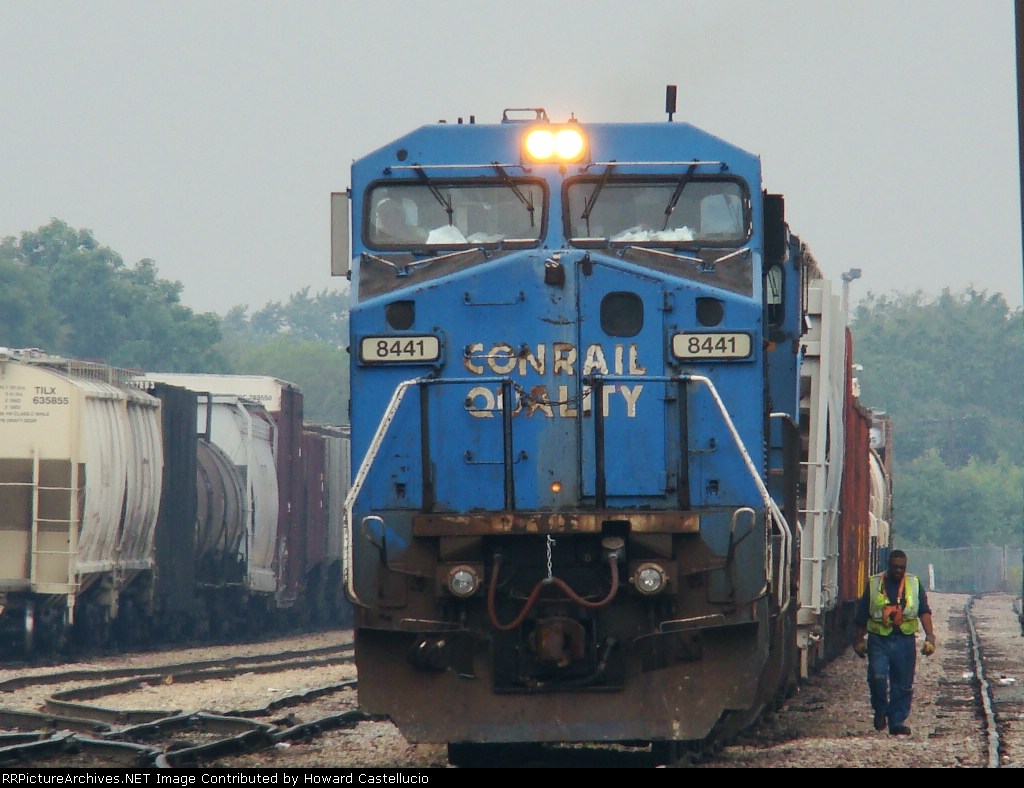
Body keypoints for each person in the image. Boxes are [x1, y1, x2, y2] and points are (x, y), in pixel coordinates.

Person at [852, 549, 937, 736]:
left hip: (904, 640)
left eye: (902, 567)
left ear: (905, 567)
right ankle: (881, 710)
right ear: (889, 566)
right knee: (877, 676)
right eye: (895, 567)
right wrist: (858, 640)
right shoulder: (875, 583)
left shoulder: (913, 583)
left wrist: (930, 637)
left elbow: (923, 610)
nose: (898, 571)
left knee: (903, 682)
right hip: (879, 639)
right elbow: (862, 613)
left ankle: (897, 720)